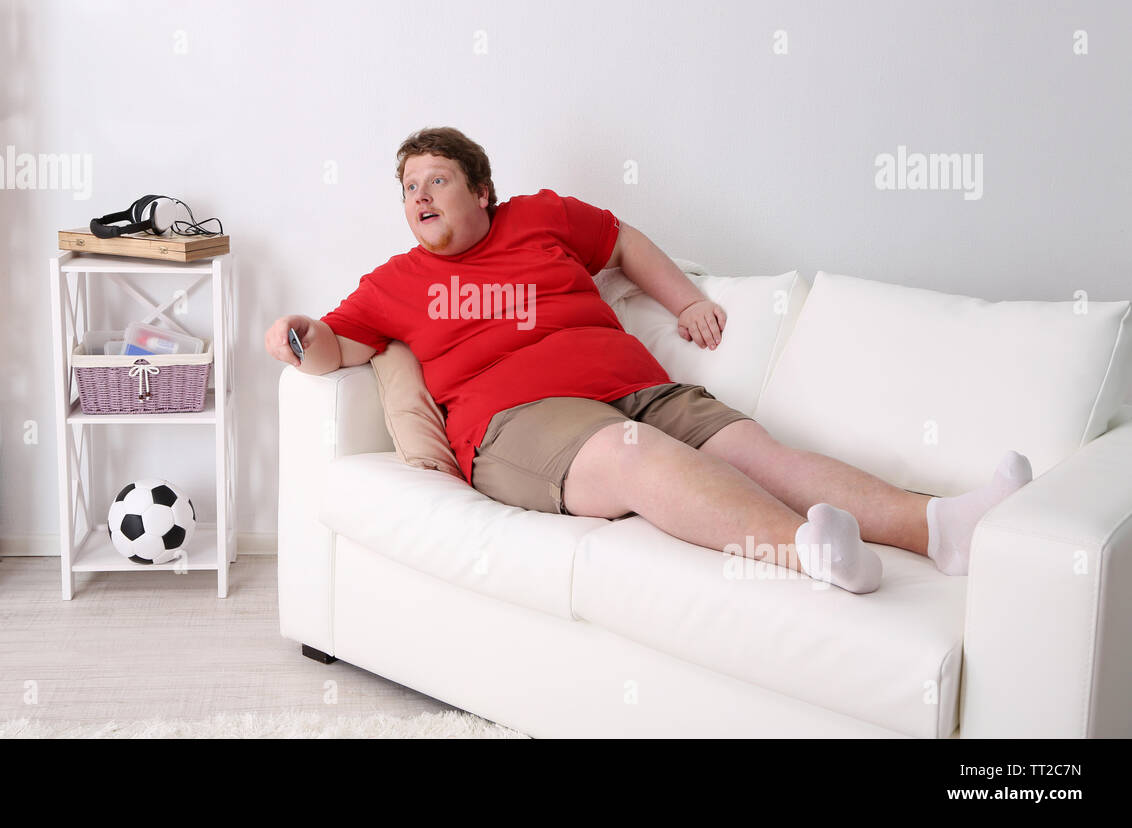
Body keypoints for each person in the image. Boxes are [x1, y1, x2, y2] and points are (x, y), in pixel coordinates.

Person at [267, 127, 1032, 593]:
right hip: (521, 423)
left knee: (758, 452)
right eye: (408, 188)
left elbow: (622, 240)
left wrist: (683, 301)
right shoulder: (398, 282)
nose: (419, 196)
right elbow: (338, 345)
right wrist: (296, 336)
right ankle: (812, 555)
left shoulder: (538, 216)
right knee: (640, 459)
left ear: (483, 190)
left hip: (636, 383)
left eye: (436, 179)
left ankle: (937, 526)